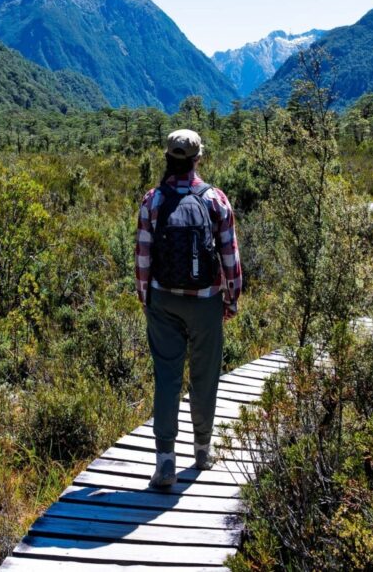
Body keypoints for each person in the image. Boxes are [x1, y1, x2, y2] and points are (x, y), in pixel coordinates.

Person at [135, 128, 242, 489]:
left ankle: (165, 461)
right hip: (206, 300)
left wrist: (146, 296)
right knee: (204, 375)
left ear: (167, 157)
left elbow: (143, 254)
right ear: (197, 160)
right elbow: (229, 255)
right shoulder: (215, 199)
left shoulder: (152, 200)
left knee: (167, 377)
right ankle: (202, 451)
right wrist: (231, 297)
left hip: (163, 299)